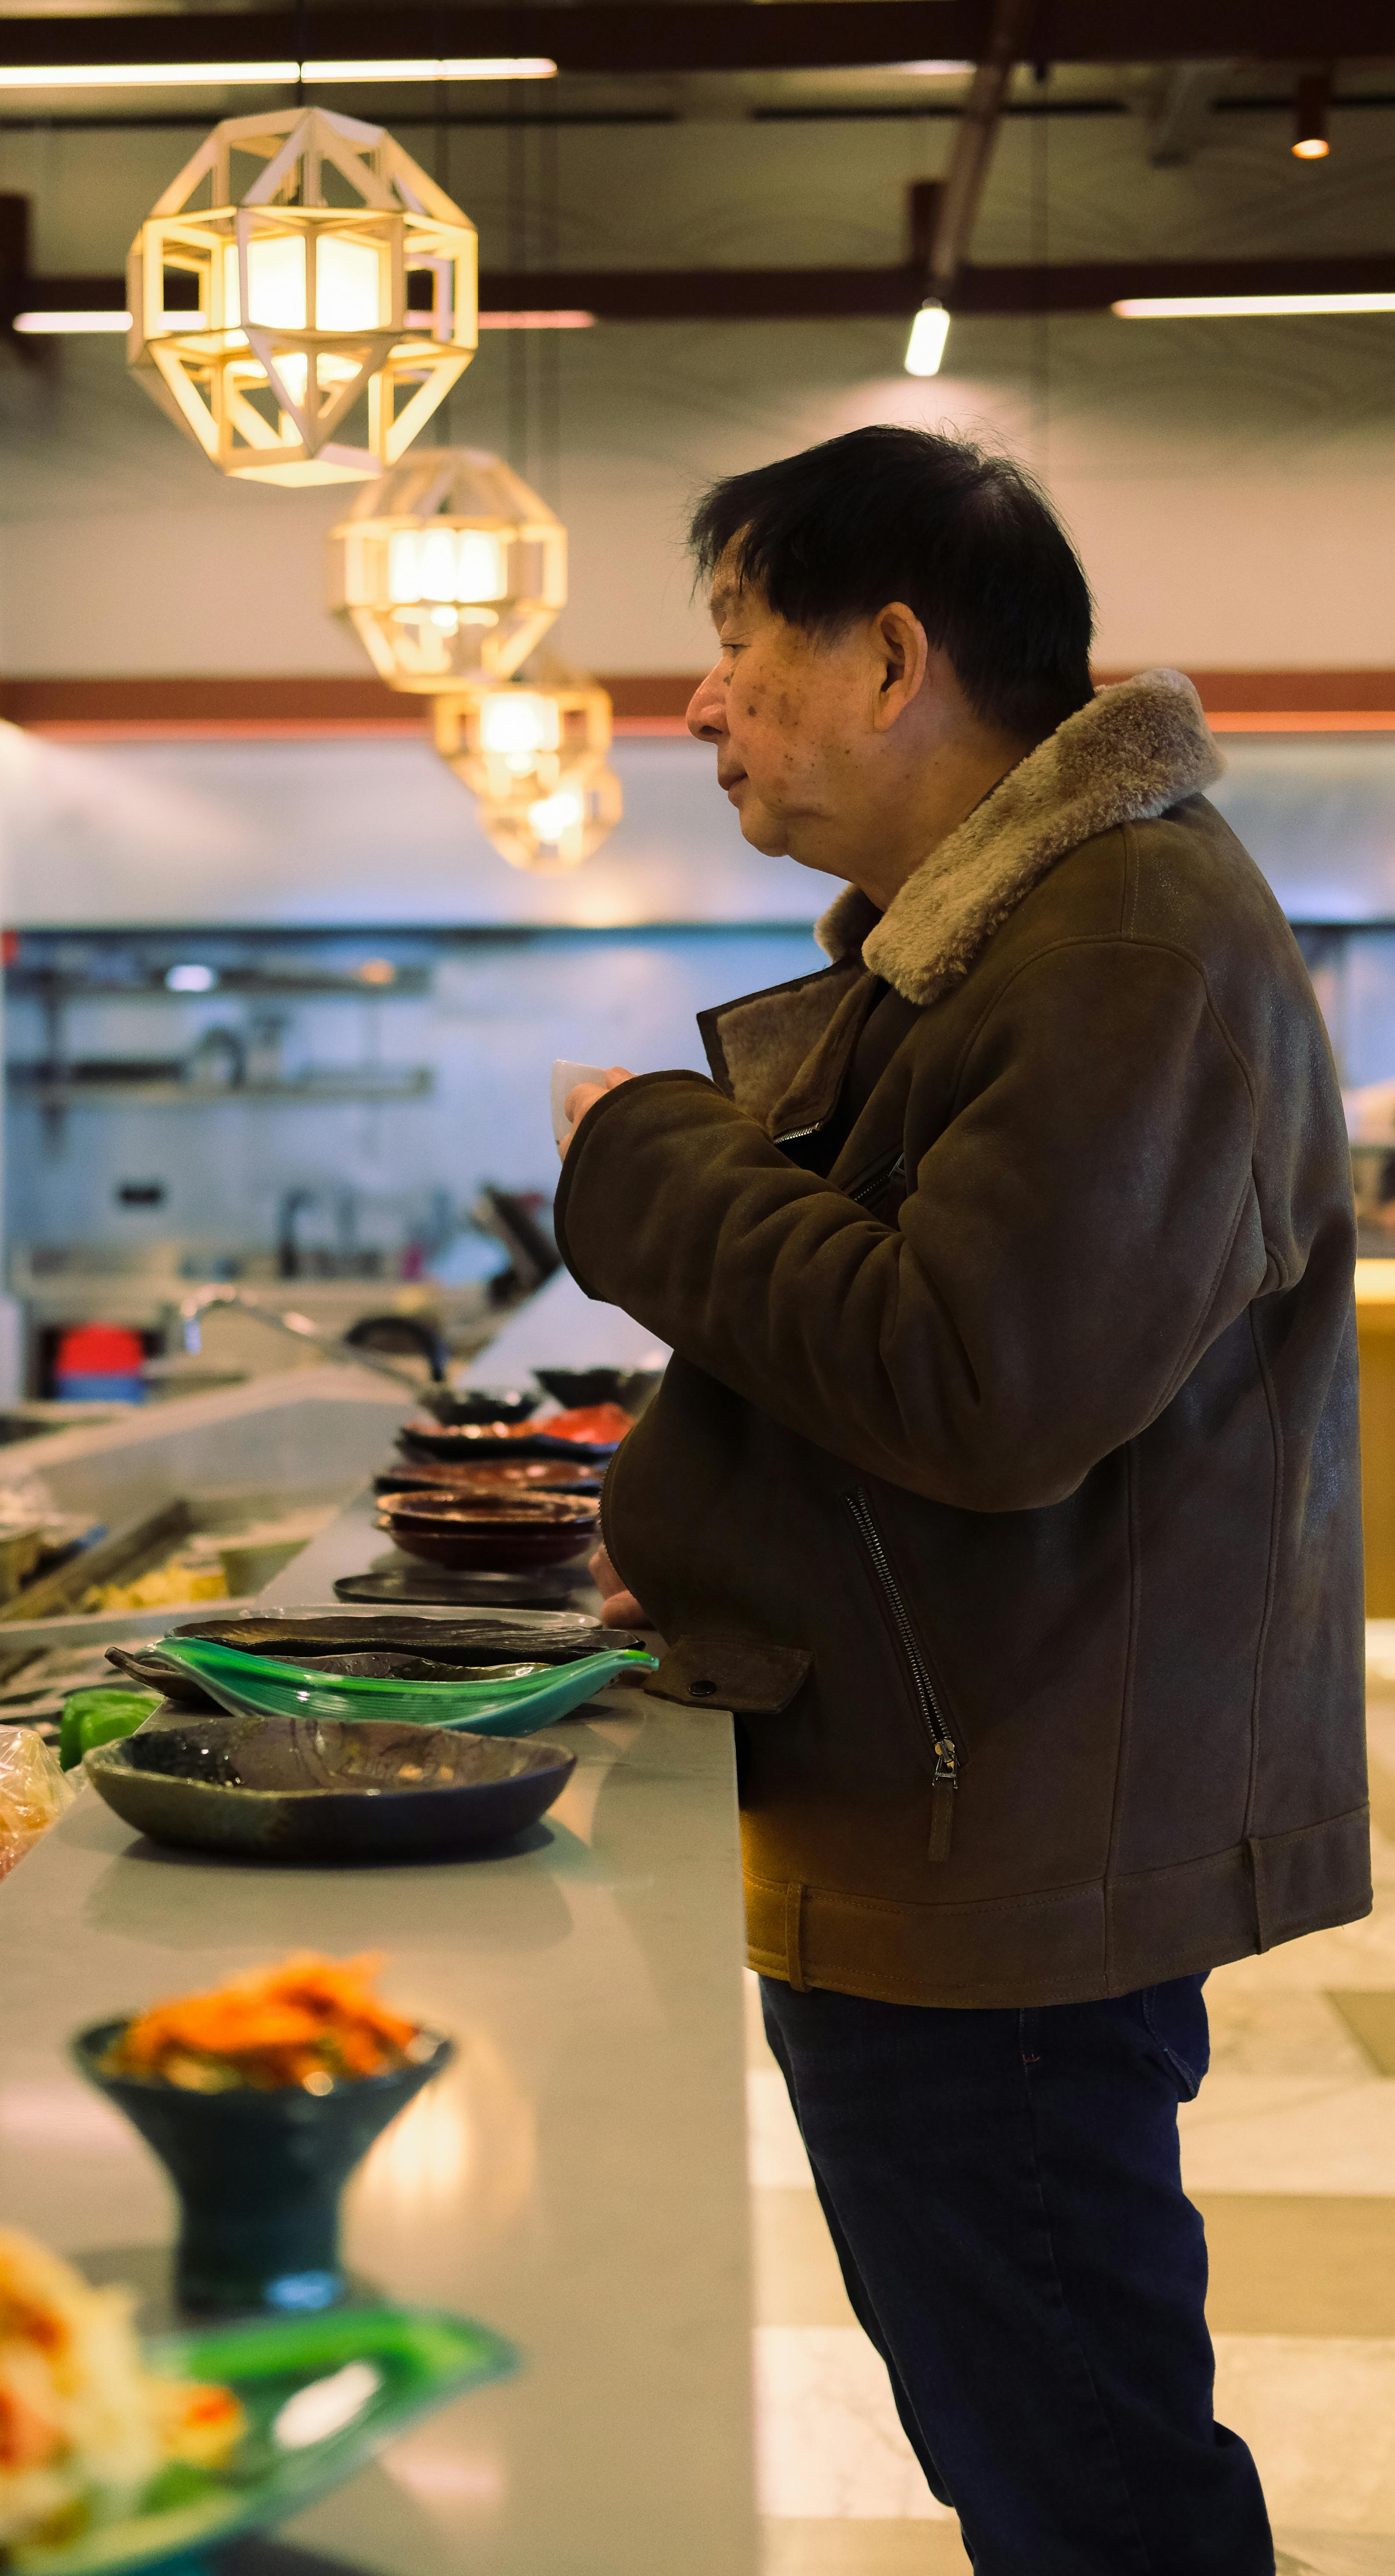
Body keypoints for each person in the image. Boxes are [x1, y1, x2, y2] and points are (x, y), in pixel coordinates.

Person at [555, 426, 1370, 2574]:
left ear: (894, 652)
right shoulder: (1013, 931)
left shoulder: (1121, 927)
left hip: (1001, 1827)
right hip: (953, 1793)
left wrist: (642, 1148)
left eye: (735, 642)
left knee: (1082, 2463)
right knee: (1029, 2422)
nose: (698, 704)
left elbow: (973, 1378)